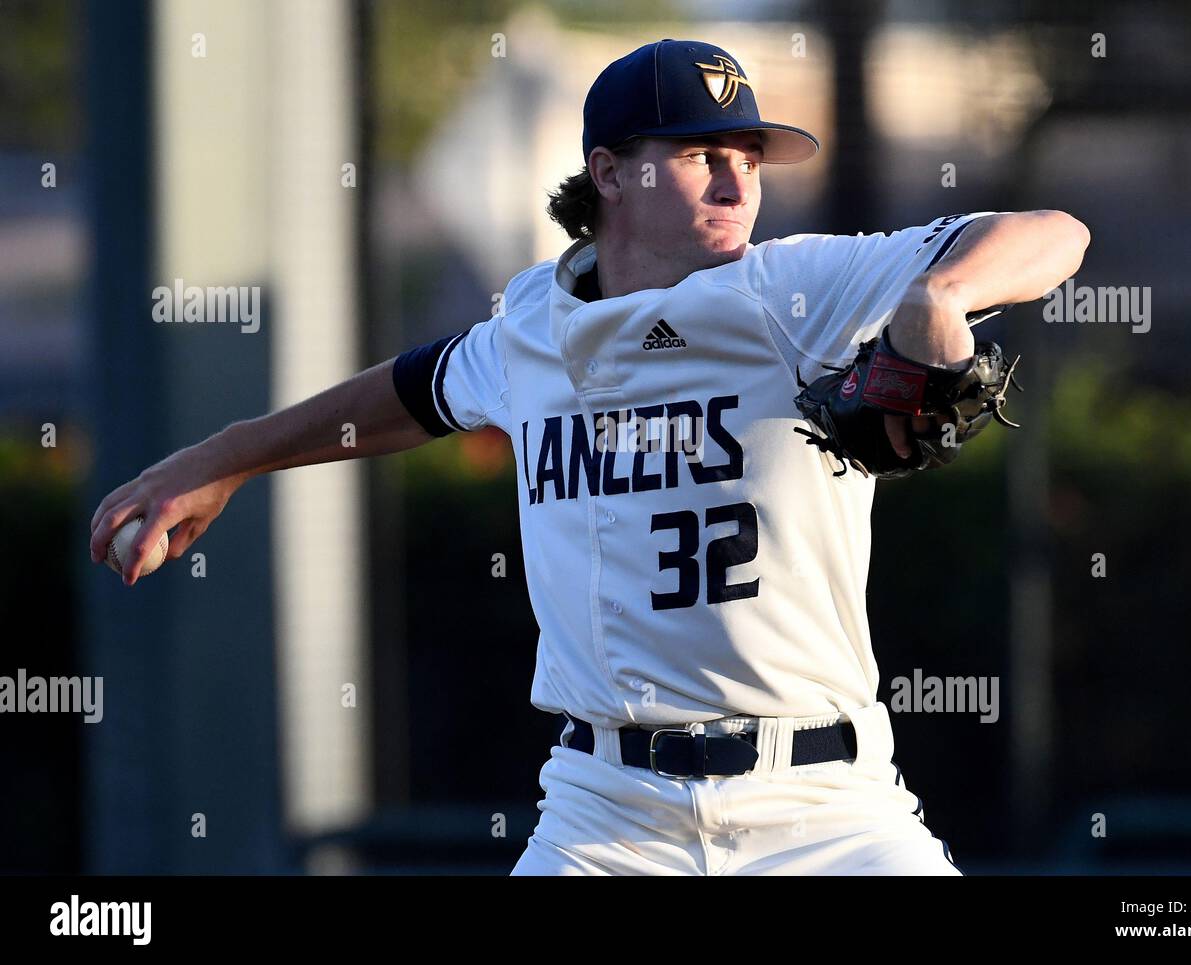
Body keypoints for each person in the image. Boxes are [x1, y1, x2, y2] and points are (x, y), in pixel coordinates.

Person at [90, 39, 1089, 875]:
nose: (739, 178)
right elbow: (400, 397)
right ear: (609, 172)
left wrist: (939, 294)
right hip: (609, 815)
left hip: (822, 804)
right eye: (701, 152)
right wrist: (223, 458)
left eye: (749, 153)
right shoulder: (535, 324)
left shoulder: (798, 290)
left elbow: (1053, 231)